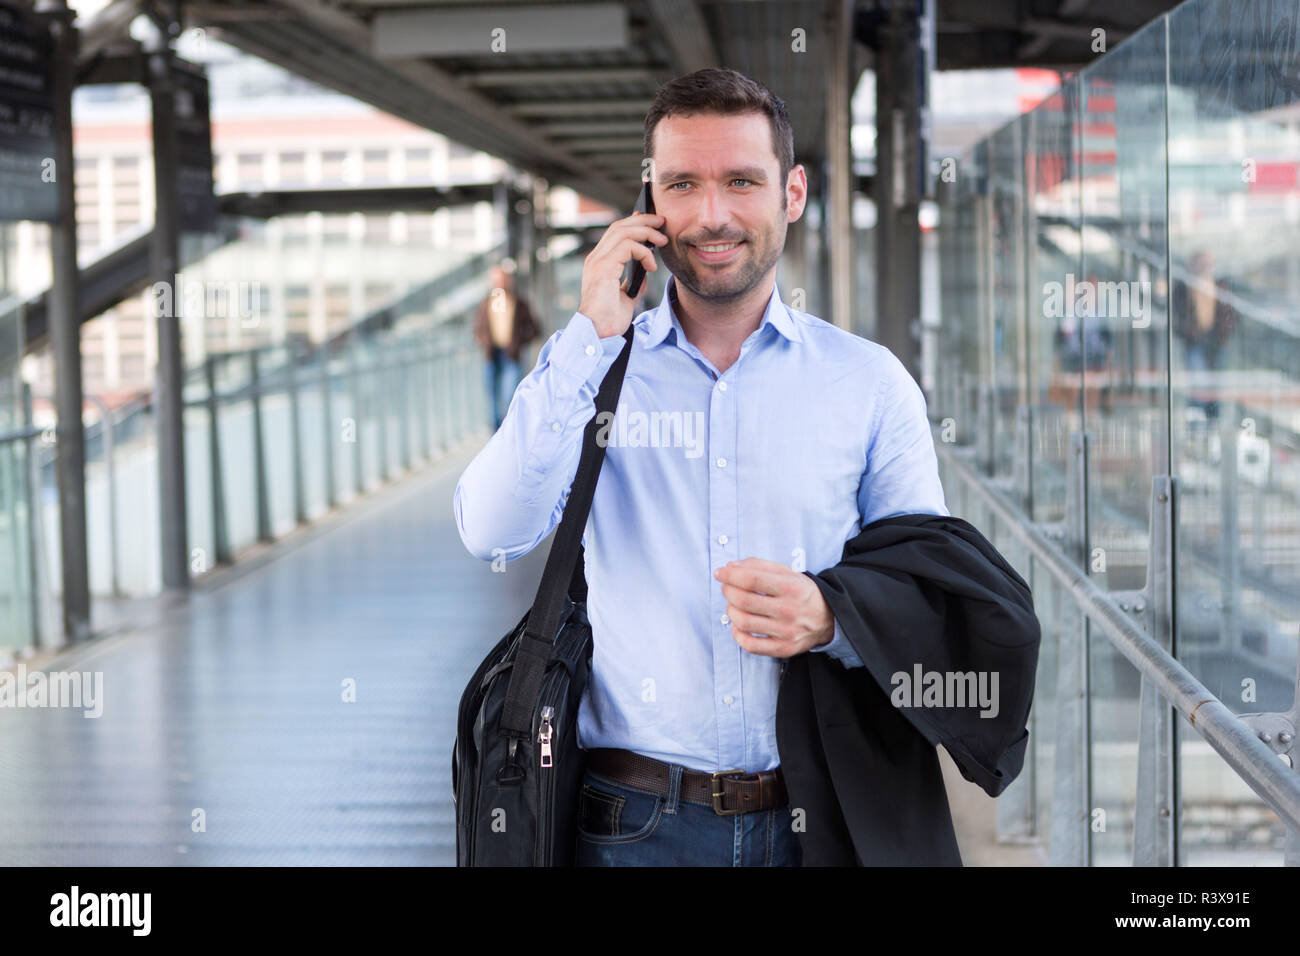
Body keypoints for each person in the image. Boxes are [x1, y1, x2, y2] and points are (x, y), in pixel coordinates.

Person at [454, 68, 949, 866]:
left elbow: (929, 598)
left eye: (741, 181)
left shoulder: (868, 383)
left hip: (820, 816)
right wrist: (589, 333)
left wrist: (833, 617)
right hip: (630, 826)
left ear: (792, 193)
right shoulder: (592, 368)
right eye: (683, 184)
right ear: (649, 202)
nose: (712, 215)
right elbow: (491, 531)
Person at [1171, 249, 1238, 422]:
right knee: (1198, 388)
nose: (1206, 267)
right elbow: (1177, 316)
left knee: (1215, 388)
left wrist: (1224, 333)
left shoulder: (1220, 286)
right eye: (1202, 263)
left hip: (1217, 343)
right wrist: (1189, 334)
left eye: (1208, 263)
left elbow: (1230, 314)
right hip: (1195, 344)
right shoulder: (1183, 287)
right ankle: (1196, 424)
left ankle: (1212, 423)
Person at [472, 263, 540, 429]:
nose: (500, 283)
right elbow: (478, 329)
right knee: (493, 398)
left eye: (503, 279)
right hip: (491, 355)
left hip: (511, 355)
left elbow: (535, 329)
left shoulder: (519, 303)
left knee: (510, 395)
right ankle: (496, 435)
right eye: (496, 280)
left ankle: (509, 432)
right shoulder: (485, 304)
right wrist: (484, 342)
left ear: (509, 280)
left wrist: (518, 342)